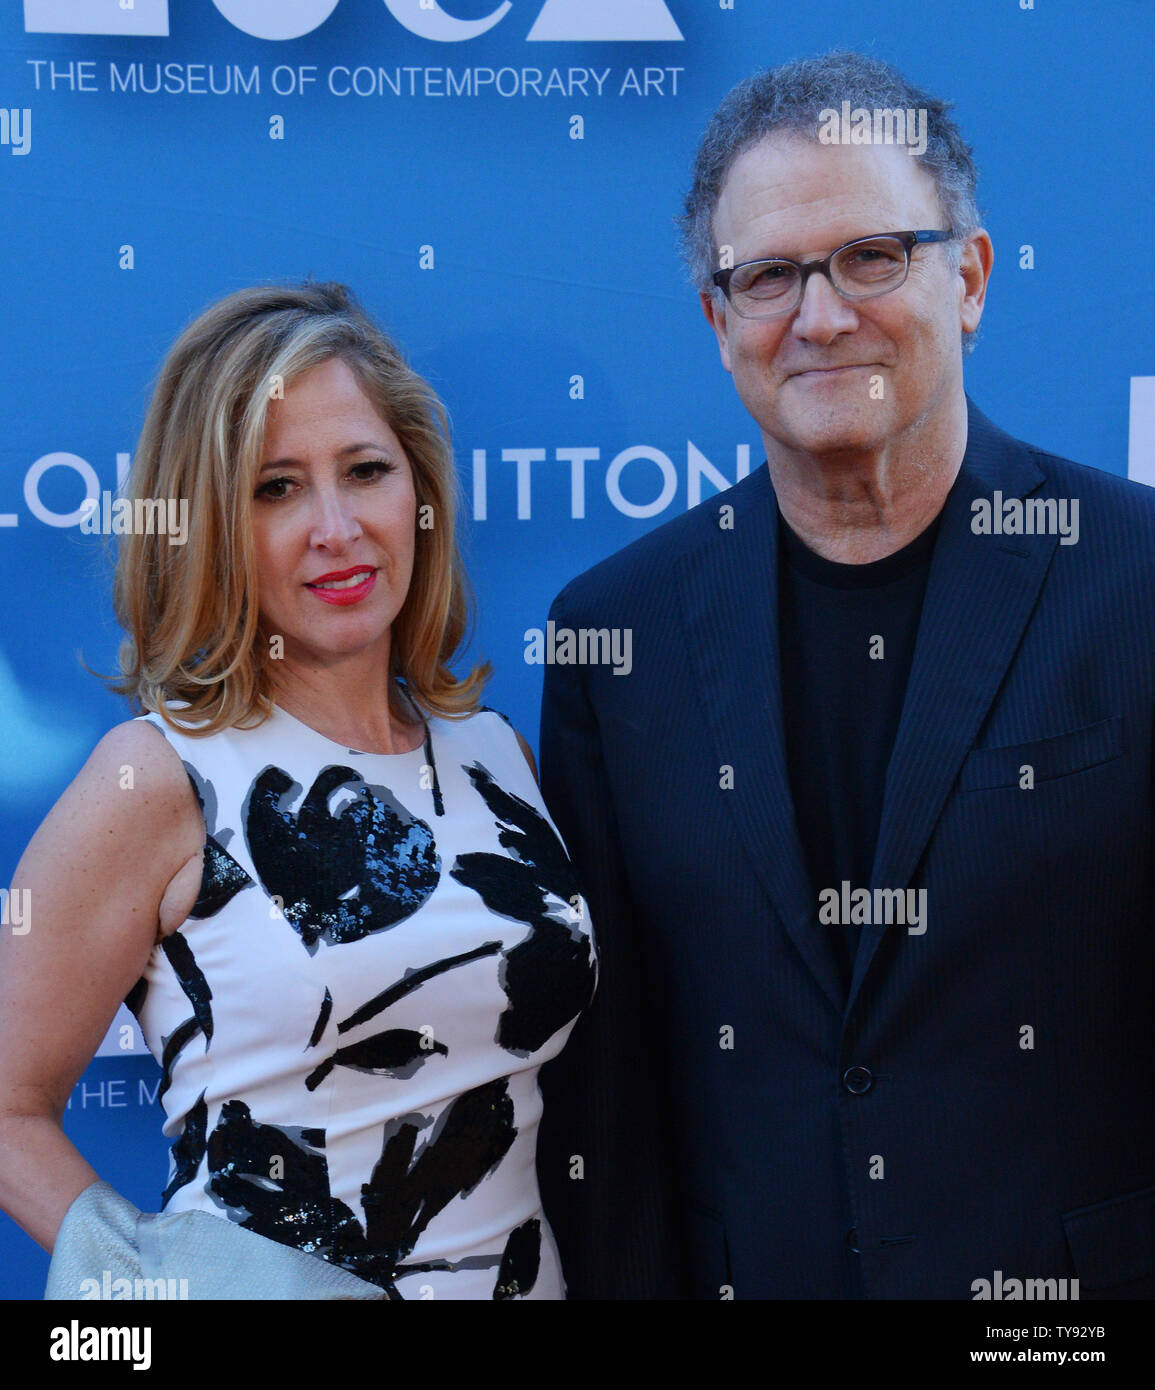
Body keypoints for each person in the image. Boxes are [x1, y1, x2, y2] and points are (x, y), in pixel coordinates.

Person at [535, 50, 1155, 1300]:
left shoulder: (1136, 578)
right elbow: (606, 1088)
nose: (819, 316)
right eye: (767, 276)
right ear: (719, 324)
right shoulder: (616, 634)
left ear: (970, 279)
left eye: (872, 256)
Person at [0, 281, 596, 1300]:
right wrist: (153, 1287)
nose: (337, 526)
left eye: (364, 471)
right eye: (276, 487)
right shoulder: (158, 777)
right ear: (208, 523)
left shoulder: (498, 757)